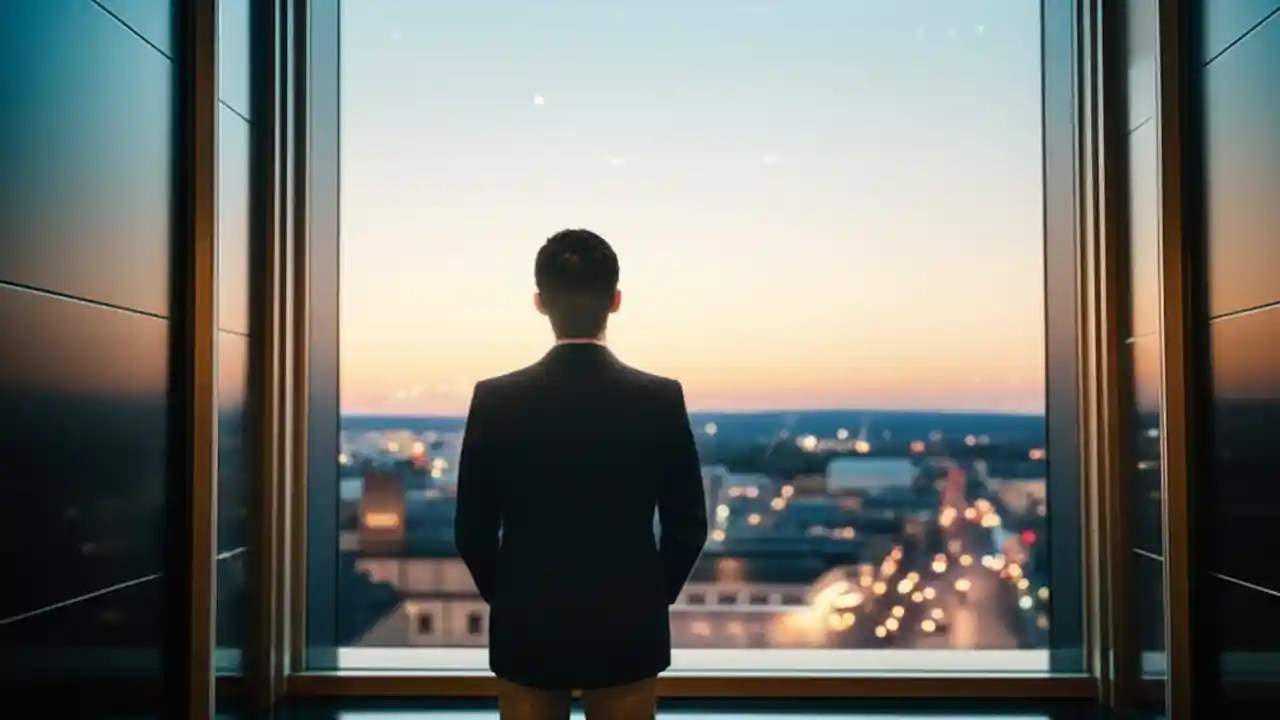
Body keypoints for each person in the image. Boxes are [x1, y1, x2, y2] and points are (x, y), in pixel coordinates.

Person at [455, 229, 709, 719]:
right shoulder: (659, 398)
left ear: (539, 302)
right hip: (628, 622)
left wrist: (513, 597)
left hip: (528, 623)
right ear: (615, 301)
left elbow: (472, 531)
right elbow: (687, 526)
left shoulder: (496, 400)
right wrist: (647, 597)